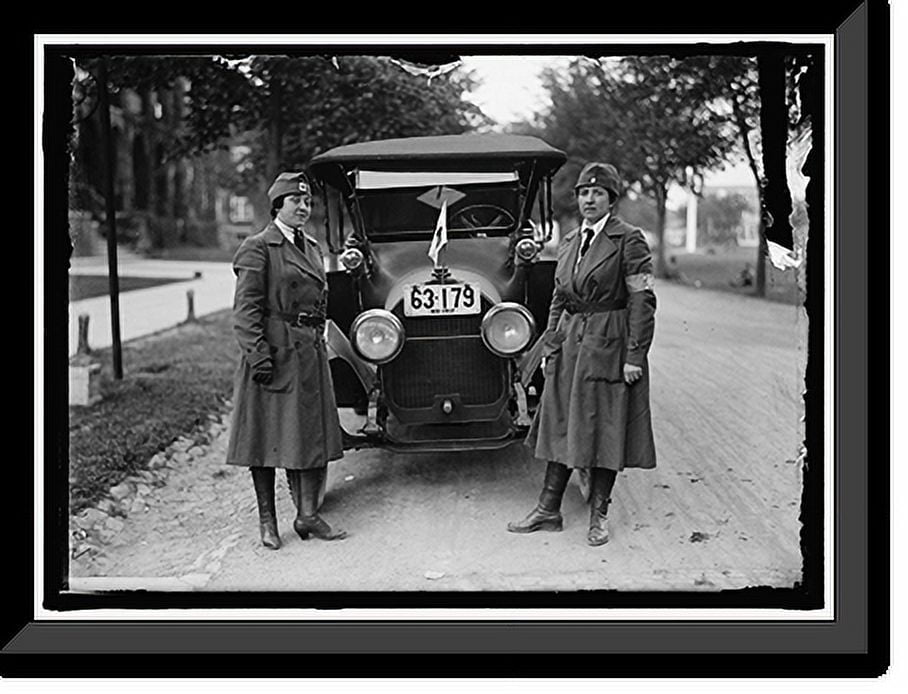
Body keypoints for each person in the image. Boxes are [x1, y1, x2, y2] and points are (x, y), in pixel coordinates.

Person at [510, 162, 657, 546]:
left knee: (605, 426)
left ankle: (599, 515)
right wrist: (550, 345)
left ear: (611, 198)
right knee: (560, 421)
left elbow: (642, 301)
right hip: (571, 344)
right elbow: (559, 297)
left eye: (597, 193)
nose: (589, 199)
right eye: (583, 192)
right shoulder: (570, 240)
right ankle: (548, 509)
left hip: (609, 341)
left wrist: (634, 357)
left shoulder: (629, 240)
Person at [225, 171, 347, 550]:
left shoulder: (311, 248)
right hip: (273, 354)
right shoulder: (259, 247)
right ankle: (268, 521)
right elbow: (246, 311)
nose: (304, 208)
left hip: (308, 353)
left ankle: (307, 516)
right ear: (278, 205)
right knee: (262, 440)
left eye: (308, 203)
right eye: (296, 202)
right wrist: (258, 356)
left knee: (310, 436)